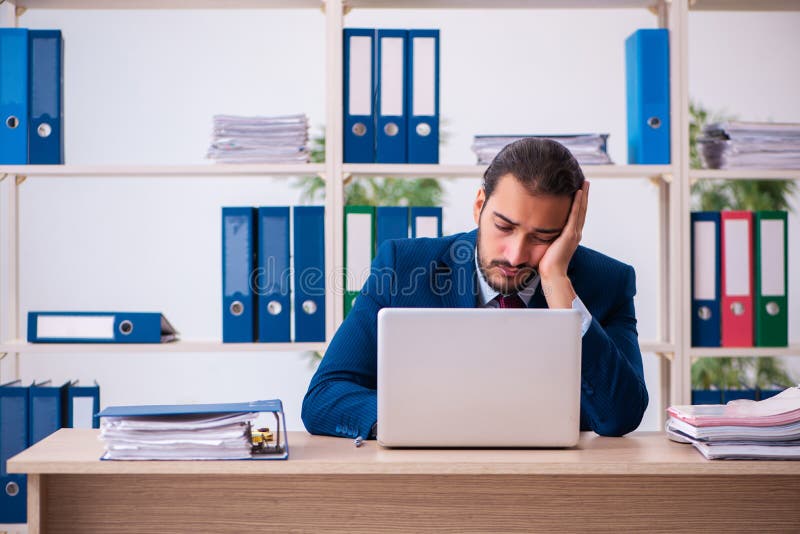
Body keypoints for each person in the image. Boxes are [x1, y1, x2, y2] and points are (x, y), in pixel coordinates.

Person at [302, 138, 649, 439]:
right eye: (504, 226)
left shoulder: (607, 282)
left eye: (543, 237)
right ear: (479, 205)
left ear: (568, 232)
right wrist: (427, 418)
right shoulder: (402, 267)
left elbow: (620, 416)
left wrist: (558, 283)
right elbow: (325, 396)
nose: (516, 255)